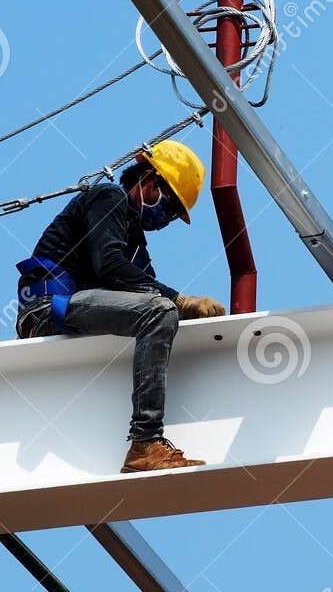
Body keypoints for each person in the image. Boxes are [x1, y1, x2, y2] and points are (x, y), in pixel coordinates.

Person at [15, 140, 225, 473]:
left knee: (159, 310)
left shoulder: (134, 243)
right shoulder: (108, 199)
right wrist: (181, 301)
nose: (165, 219)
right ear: (150, 182)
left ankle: (147, 443)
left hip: (73, 311)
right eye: (169, 208)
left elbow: (143, 288)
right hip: (47, 310)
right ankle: (145, 442)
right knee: (161, 311)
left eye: (173, 216)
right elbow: (109, 265)